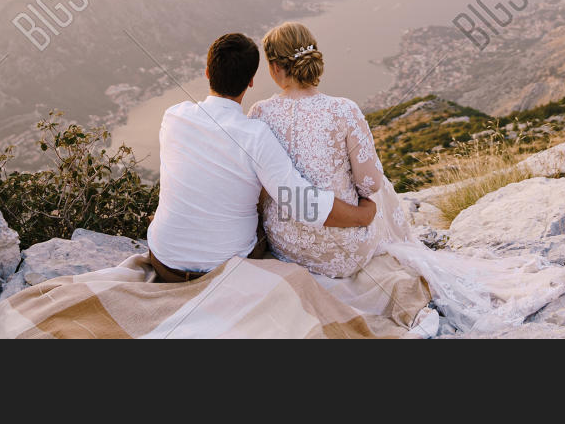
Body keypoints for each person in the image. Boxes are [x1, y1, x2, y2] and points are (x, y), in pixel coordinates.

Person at [145, 32, 377, 282]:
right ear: (251, 82)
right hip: (225, 270)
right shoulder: (254, 136)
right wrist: (363, 215)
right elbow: (299, 201)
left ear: (207, 73)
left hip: (164, 261)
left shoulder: (173, 117)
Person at [247, 22, 402, 277]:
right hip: (345, 251)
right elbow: (370, 184)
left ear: (275, 67)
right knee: (379, 181)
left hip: (286, 246)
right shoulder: (344, 110)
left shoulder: (260, 113)